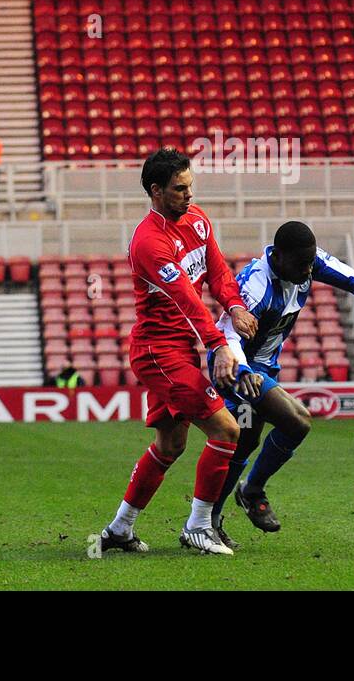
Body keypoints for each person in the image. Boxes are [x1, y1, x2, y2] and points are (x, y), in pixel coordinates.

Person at [97, 148, 257, 557]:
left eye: (190, 186)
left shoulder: (198, 220)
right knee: (227, 430)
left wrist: (234, 305)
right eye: (179, 189)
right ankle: (199, 527)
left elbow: (218, 272)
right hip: (158, 352)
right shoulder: (150, 242)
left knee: (170, 446)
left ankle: (119, 529)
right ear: (156, 191)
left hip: (180, 349)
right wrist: (219, 345)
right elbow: (187, 299)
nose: (189, 194)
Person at [207, 221, 354, 548]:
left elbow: (350, 276)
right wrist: (242, 373)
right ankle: (247, 494)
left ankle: (215, 515)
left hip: (264, 367)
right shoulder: (255, 285)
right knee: (296, 422)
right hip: (237, 368)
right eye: (302, 265)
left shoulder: (306, 264)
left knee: (246, 441)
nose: (309, 271)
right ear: (278, 257)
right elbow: (226, 334)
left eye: (312, 264)